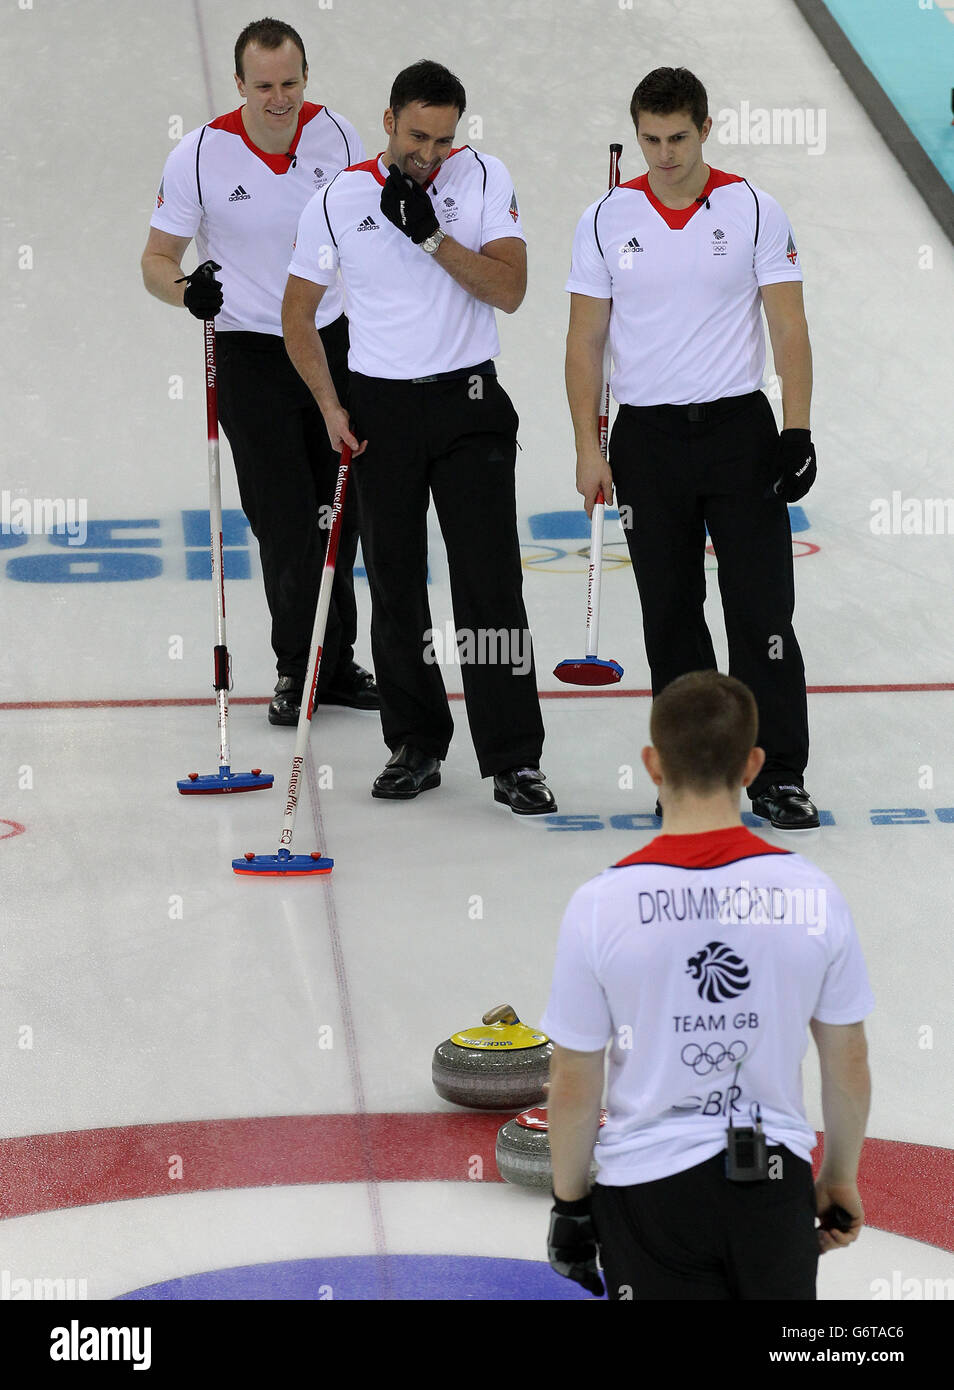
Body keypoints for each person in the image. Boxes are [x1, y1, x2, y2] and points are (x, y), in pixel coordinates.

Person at [541, 670, 873, 1301]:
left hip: (649, 1191)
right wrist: (837, 1178)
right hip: (771, 1186)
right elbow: (847, 1060)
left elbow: (575, 1077)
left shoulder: (601, 905)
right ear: (752, 765)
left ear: (652, 763)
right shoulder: (812, 894)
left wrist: (570, 1204)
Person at [282, 59, 555, 814]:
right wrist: (331, 407)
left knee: (490, 588)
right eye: (415, 136)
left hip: (470, 405)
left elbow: (512, 289)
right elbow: (298, 313)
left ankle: (513, 759)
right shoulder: (337, 200)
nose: (428, 155)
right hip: (380, 413)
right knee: (397, 586)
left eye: (442, 139)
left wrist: (431, 236)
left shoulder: (484, 180)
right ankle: (415, 743)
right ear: (388, 121)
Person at [565, 66, 818, 830]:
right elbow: (584, 341)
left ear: (706, 129)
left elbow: (789, 327)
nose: (664, 155)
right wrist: (587, 446)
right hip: (647, 441)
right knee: (671, 617)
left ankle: (778, 774)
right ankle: (688, 775)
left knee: (761, 613)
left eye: (678, 138)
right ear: (636, 133)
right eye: (650, 140)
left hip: (740, 433)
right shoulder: (605, 218)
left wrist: (797, 429)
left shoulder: (753, 209)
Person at [141, 17, 377, 725]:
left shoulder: (338, 138)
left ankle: (335, 666)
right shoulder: (200, 155)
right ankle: (293, 668)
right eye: (265, 86)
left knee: (339, 514)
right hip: (251, 355)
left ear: (307, 78)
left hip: (334, 349)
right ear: (240, 84)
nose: (280, 100)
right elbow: (156, 260)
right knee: (282, 522)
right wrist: (189, 292)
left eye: (292, 84)